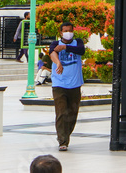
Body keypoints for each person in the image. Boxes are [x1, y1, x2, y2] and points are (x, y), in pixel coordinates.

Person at [50, 22, 84, 152]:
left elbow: (81, 51)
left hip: (75, 85)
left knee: (72, 113)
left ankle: (66, 135)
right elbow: (52, 52)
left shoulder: (78, 43)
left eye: (70, 30)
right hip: (59, 84)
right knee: (61, 112)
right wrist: (58, 62)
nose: (68, 33)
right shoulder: (55, 43)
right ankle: (62, 141)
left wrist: (65, 47)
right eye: (65, 30)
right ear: (60, 32)